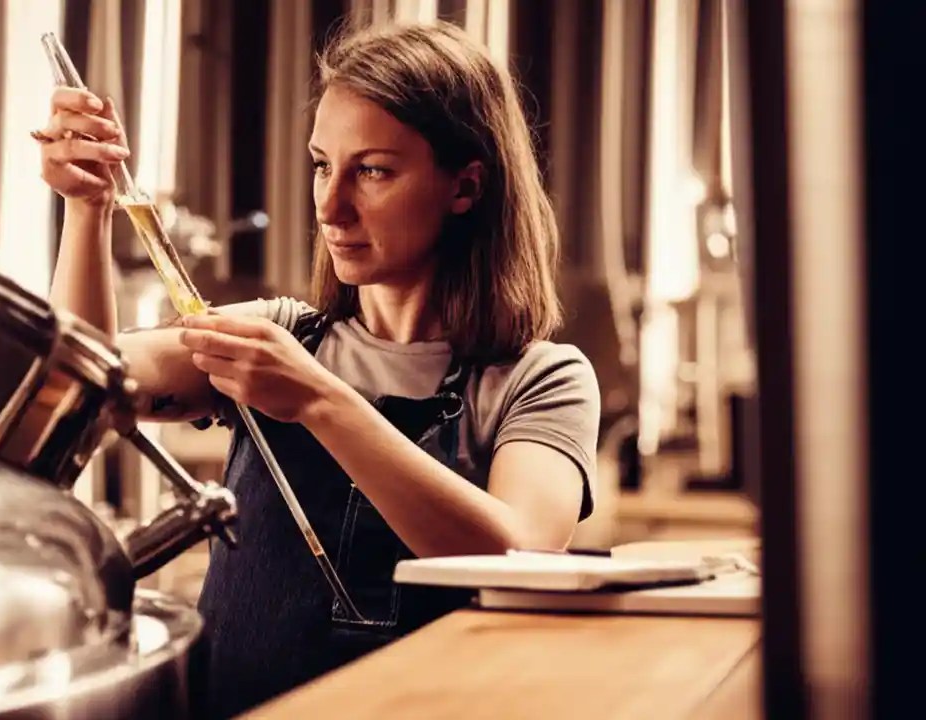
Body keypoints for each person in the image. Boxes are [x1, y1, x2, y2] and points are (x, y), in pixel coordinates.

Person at [36, 21, 600, 718]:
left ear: (465, 186)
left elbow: (521, 556)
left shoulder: (537, 380)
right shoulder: (283, 336)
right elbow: (81, 383)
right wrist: (86, 210)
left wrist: (317, 399)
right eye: (321, 165)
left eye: (372, 171)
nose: (330, 208)